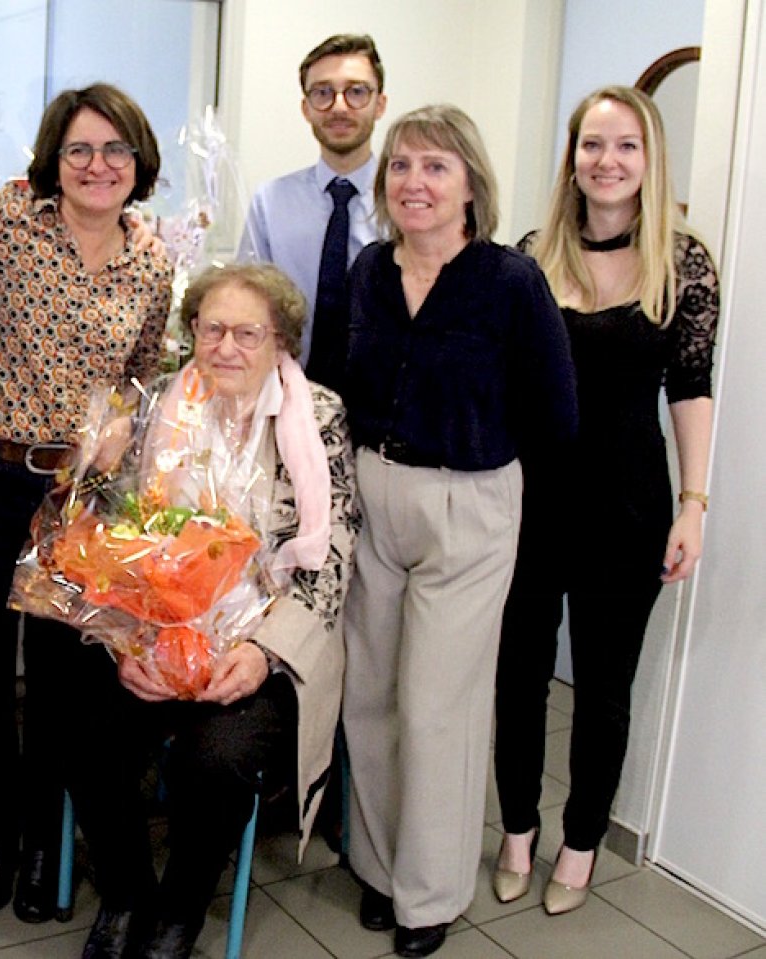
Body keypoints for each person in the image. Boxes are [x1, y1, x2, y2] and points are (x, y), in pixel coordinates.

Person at [0, 83, 173, 923]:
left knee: (64, 686)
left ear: (137, 163)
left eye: (115, 150)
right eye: (79, 149)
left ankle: (42, 841)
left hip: (80, 498)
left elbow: (143, 368)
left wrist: (120, 423)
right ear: (53, 159)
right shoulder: (2, 219)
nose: (97, 165)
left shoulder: (153, 258)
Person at [65, 262, 359, 959]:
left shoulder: (316, 415)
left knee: (215, 757)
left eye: (247, 333)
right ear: (190, 330)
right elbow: (122, 530)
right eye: (212, 328)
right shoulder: (165, 399)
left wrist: (262, 653)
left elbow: (333, 557)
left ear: (281, 340)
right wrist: (132, 638)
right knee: (84, 727)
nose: (226, 346)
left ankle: (181, 908)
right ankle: (127, 892)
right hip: (159, 631)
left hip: (258, 641)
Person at [338, 105, 577, 958]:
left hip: (469, 501)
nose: (415, 183)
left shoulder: (510, 281)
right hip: (376, 490)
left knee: (437, 706)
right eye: (401, 166)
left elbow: (555, 414)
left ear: (471, 181)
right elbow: (335, 380)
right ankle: (376, 865)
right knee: (368, 693)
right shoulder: (369, 270)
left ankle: (428, 892)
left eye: (435, 166)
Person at [491, 86, 719, 916]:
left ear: (649, 160)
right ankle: (517, 828)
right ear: (572, 156)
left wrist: (694, 504)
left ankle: (580, 842)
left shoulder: (683, 262)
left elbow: (691, 390)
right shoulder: (527, 255)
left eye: (626, 146)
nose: (607, 161)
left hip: (627, 504)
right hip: (528, 499)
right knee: (517, 677)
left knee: (604, 686)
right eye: (593, 144)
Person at [236, 34, 387, 391]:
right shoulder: (271, 202)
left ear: (379, 104)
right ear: (305, 108)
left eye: (356, 91)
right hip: (286, 395)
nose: (339, 106)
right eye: (322, 92)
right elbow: (246, 304)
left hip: (381, 401)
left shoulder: (405, 204)